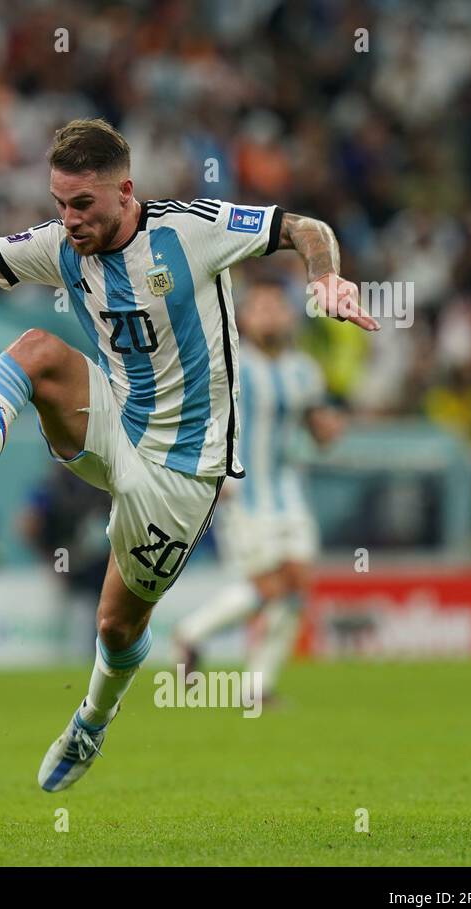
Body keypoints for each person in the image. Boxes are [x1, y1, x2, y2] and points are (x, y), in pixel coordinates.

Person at [0, 118, 377, 792]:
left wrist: (326, 279)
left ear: (125, 192)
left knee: (118, 626)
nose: (68, 221)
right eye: (60, 204)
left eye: (82, 205)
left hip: (182, 472)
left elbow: (306, 228)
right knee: (37, 349)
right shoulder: (65, 246)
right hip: (114, 422)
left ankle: (91, 721)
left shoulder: (194, 229)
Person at [170, 279, 345, 702]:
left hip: (290, 492)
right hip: (243, 490)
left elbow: (318, 428)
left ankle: (257, 686)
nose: (269, 313)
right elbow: (197, 415)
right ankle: (190, 634)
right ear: (244, 319)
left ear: (289, 316)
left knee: (296, 588)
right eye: (260, 306)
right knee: (270, 586)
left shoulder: (305, 369)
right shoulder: (229, 363)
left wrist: (327, 429)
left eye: (276, 306)